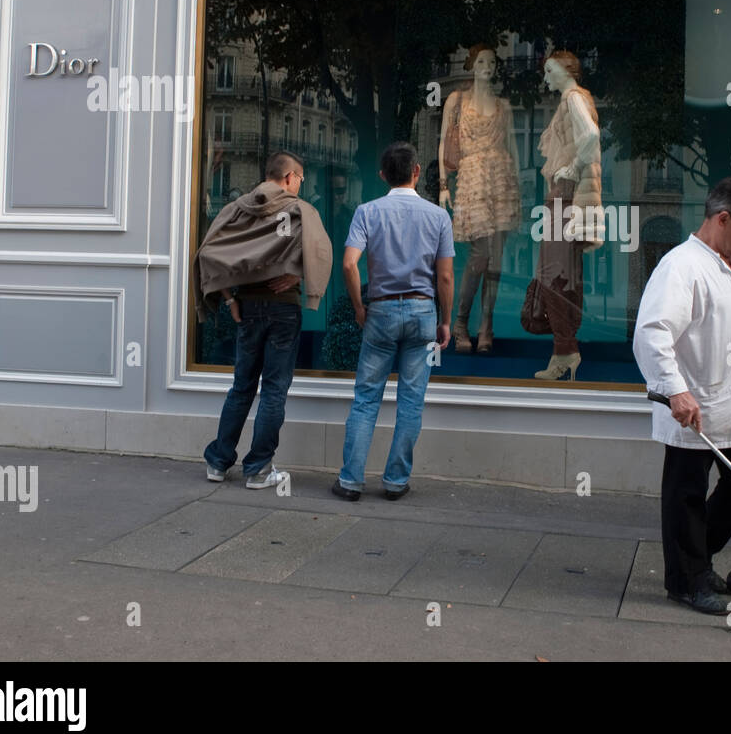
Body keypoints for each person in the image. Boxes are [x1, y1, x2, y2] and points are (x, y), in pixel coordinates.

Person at [632, 176, 731, 615]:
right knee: (685, 494)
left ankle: (696, 562)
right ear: (723, 218)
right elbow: (652, 333)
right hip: (693, 407)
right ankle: (686, 581)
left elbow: (729, 329)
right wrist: (676, 392)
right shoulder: (681, 266)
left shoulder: (730, 268)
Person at [193, 151, 333, 488]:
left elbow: (210, 252)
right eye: (300, 179)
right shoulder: (297, 211)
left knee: (241, 387)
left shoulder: (237, 210)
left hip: (248, 307)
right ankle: (257, 470)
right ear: (289, 177)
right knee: (273, 391)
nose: (301, 185)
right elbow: (319, 252)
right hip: (283, 308)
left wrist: (228, 299)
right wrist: (298, 276)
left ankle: (217, 463)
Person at [332, 142, 454, 501]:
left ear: (383, 175)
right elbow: (445, 278)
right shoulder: (438, 216)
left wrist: (358, 306)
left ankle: (351, 481)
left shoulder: (367, 212)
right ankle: (396, 481)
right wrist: (445, 322)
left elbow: (349, 264)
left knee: (366, 398)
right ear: (416, 172)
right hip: (422, 313)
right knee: (412, 401)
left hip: (381, 311)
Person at [438, 44, 521, 353]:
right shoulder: (457, 100)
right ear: (472, 65)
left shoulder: (504, 107)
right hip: (472, 180)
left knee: (496, 260)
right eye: (482, 61)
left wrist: (519, 189)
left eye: (492, 61)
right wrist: (444, 184)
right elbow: (445, 141)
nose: (488, 65)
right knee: (479, 256)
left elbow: (512, 146)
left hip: (502, 180)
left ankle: (486, 324)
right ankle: (461, 321)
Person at [531, 50, 602, 381]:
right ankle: (565, 351)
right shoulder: (576, 98)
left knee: (554, 273)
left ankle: (565, 353)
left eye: (549, 70)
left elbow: (590, 135)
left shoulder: (573, 97)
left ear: (564, 69)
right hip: (569, 195)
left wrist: (571, 168)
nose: (546, 77)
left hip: (566, 195)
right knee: (565, 274)